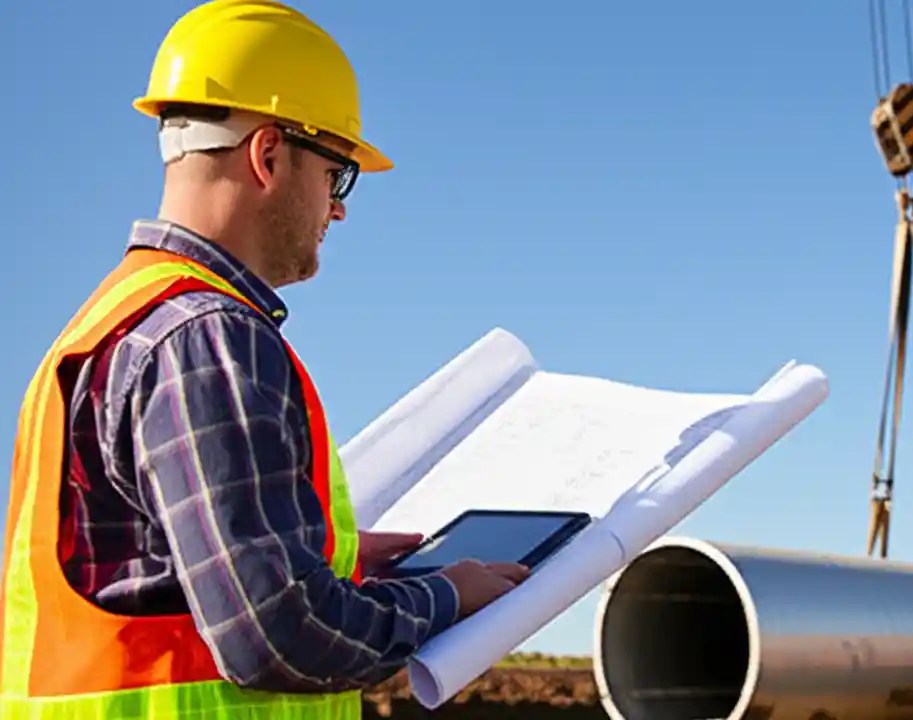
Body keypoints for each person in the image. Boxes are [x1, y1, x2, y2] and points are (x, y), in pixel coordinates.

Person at [0, 1, 528, 717]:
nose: (337, 209)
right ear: (269, 154)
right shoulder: (209, 337)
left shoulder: (115, 321)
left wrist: (324, 558)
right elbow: (275, 635)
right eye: (337, 174)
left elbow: (157, 577)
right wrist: (445, 595)